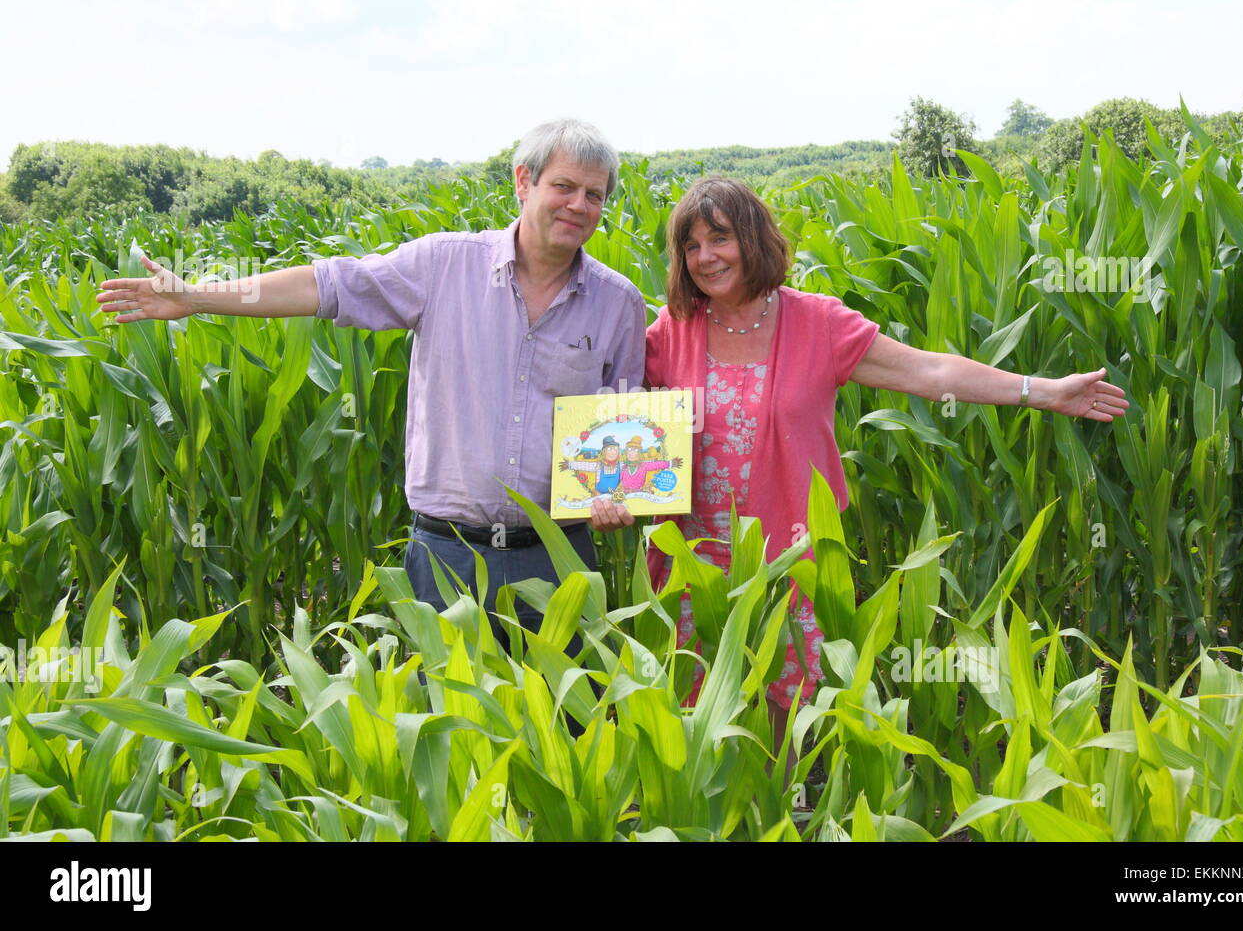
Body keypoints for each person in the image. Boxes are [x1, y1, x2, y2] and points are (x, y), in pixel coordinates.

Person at [96, 119, 647, 660]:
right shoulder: (442, 265)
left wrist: (617, 494)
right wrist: (197, 297)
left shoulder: (617, 302)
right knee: (447, 730)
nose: (579, 205)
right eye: (565, 187)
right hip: (446, 560)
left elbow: (620, 424)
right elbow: (328, 284)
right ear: (524, 182)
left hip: (558, 563)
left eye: (594, 195)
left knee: (567, 734)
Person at [631, 176, 1129, 750]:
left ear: (753, 238)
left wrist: (1041, 391)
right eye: (690, 246)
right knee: (701, 726)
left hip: (790, 557)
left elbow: (930, 373)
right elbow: (613, 426)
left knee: (780, 719)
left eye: (719, 238)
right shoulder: (671, 334)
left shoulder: (817, 324)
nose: (704, 257)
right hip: (694, 564)